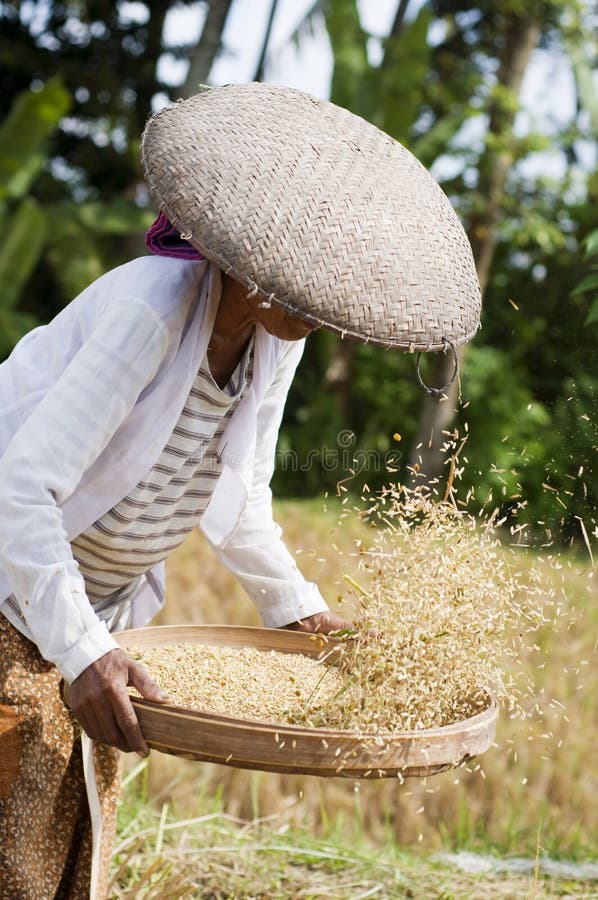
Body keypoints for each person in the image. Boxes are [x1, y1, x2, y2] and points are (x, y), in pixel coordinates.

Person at [0, 82, 481, 899]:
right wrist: (79, 652)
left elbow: (241, 491)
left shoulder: (274, 335)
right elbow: (17, 492)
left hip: (100, 606)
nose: (323, 313)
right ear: (248, 256)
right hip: (16, 586)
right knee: (14, 815)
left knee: (70, 833)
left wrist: (296, 607)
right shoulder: (150, 313)